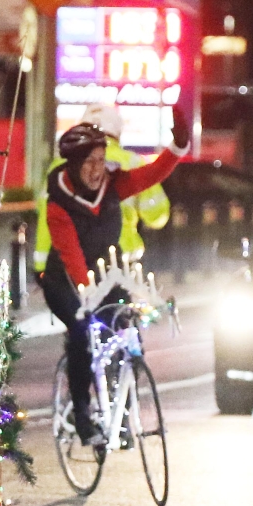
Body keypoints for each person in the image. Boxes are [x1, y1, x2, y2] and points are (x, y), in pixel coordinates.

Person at [39, 110, 187, 443]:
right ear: (74, 166)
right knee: (81, 335)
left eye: (101, 161)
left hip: (107, 271)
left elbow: (153, 173)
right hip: (64, 279)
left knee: (127, 323)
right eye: (89, 163)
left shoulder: (113, 185)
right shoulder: (58, 204)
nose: (96, 170)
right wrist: (87, 297)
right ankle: (82, 414)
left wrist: (178, 144)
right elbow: (72, 257)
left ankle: (122, 412)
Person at [33, 102, 170, 271]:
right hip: (120, 263)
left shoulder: (59, 166)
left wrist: (41, 267)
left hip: (70, 264)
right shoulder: (132, 162)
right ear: (117, 131)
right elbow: (156, 215)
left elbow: (45, 214)